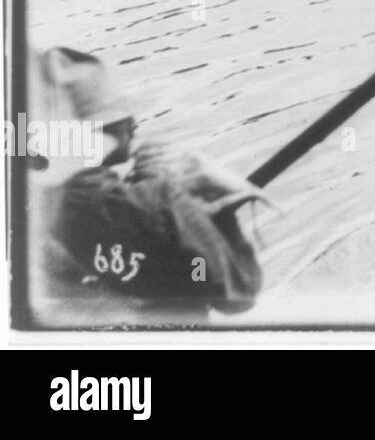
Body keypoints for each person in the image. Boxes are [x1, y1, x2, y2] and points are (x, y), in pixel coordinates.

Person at [30, 47, 264, 323]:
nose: (133, 126)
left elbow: (102, 222)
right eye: (122, 121)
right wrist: (218, 209)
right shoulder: (157, 202)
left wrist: (139, 191)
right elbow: (235, 295)